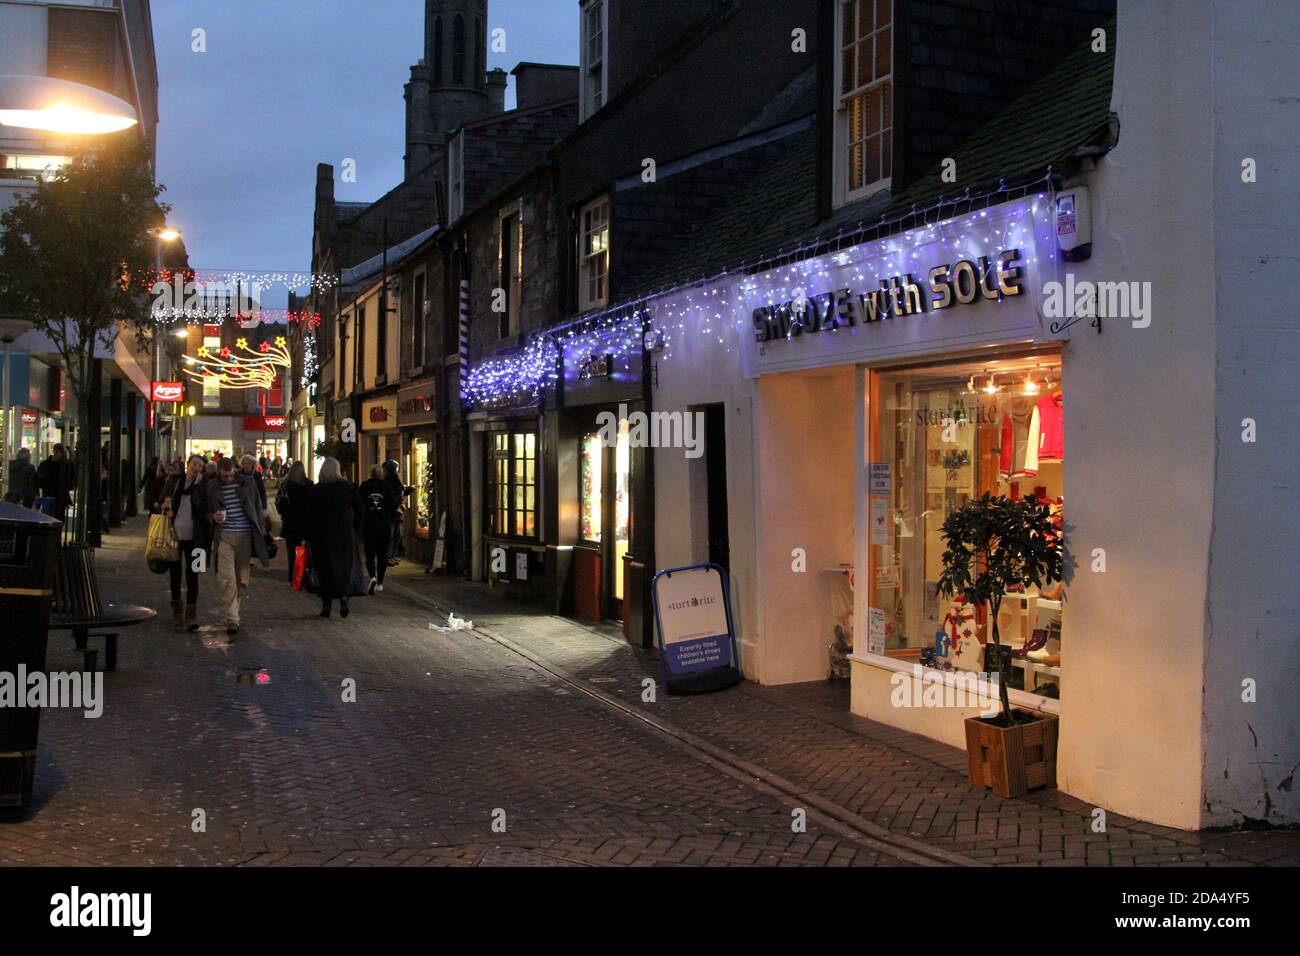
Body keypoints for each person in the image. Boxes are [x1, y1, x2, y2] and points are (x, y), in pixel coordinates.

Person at [203, 457, 270, 637]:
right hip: (224, 535)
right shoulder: (212, 487)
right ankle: (232, 618)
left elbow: (256, 505)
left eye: (231, 475)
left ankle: (234, 611)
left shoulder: (247, 482)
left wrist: (261, 527)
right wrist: (212, 517)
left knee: (241, 579)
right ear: (218, 473)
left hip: (246, 535)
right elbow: (205, 511)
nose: (229, 479)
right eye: (225, 476)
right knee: (227, 578)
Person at [307, 457, 364, 618]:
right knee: (344, 567)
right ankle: (344, 597)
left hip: (322, 536)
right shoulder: (347, 488)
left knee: (325, 569)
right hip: (344, 534)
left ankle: (327, 604)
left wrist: (308, 535)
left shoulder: (317, 490)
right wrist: (354, 529)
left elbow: (311, 515)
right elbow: (360, 509)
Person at [162, 454, 211, 630]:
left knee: (194, 576)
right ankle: (177, 609)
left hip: (196, 539)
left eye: (200, 466)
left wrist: (197, 487)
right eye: (194, 464)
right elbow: (161, 499)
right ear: (188, 465)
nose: (196, 468)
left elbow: (202, 508)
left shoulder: (203, 486)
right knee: (175, 575)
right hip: (174, 536)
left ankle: (191, 615)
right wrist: (163, 506)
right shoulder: (175, 481)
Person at [359, 464, 400, 594]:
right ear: (382, 474)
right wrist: (388, 515)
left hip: (369, 525)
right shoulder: (386, 487)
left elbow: (359, 504)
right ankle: (380, 583)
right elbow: (394, 504)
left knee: (370, 554)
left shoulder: (364, 487)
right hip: (384, 525)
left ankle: (372, 577)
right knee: (382, 554)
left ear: (370, 473)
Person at [276, 460, 313, 585]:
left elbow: (279, 503)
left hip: (289, 523)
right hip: (304, 524)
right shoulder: (309, 484)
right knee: (303, 550)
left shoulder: (286, 484)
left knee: (291, 552)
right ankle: (302, 576)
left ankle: (292, 576)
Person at [36, 443, 74, 524]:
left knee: (48, 514)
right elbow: (71, 479)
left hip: (49, 493)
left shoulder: (46, 464)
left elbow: (39, 480)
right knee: (58, 516)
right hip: (59, 493)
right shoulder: (66, 465)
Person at [381, 459, 409, 567]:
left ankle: (392, 556)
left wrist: (406, 490)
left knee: (396, 534)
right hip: (391, 512)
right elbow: (391, 496)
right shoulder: (388, 481)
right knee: (392, 534)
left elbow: (400, 492)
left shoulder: (395, 480)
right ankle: (388, 557)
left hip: (397, 511)